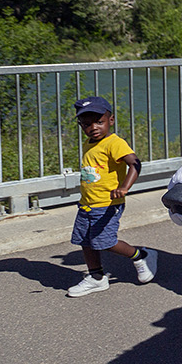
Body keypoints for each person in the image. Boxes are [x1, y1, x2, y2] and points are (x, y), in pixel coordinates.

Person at [65, 96, 155, 296]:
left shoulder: (114, 142)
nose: (94, 127)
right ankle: (96, 278)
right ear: (81, 126)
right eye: (87, 124)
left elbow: (135, 164)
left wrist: (124, 188)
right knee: (85, 241)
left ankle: (141, 256)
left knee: (105, 242)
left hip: (107, 204)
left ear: (111, 120)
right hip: (87, 204)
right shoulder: (90, 143)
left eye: (99, 122)